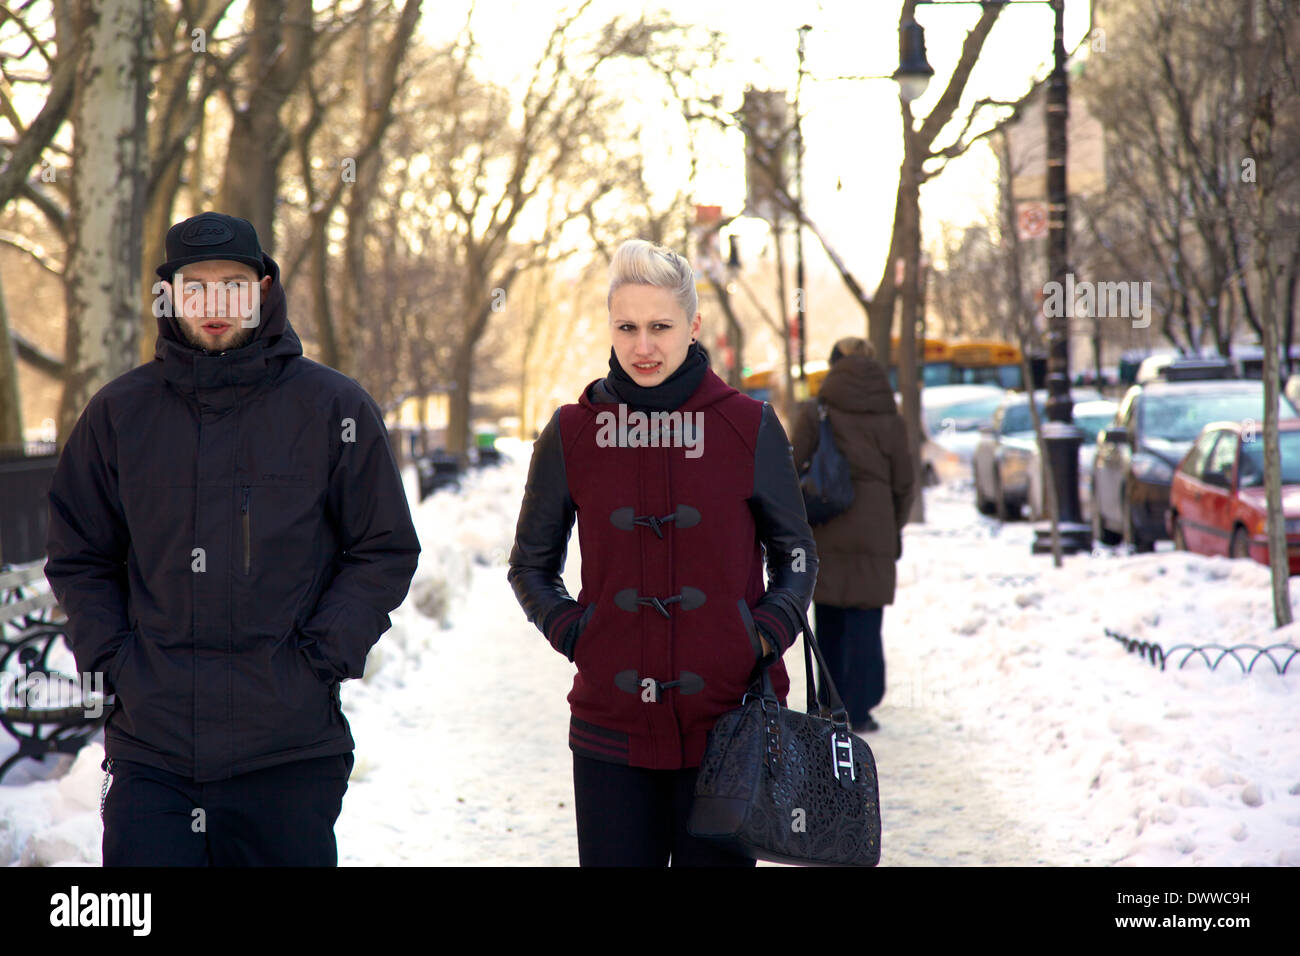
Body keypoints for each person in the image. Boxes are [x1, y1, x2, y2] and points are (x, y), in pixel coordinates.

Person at [44, 211, 421, 866]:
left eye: (233, 285)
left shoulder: (334, 408)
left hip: (288, 750)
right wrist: (117, 657)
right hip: (153, 752)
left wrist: (319, 656)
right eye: (196, 287)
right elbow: (80, 554)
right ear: (169, 297)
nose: (214, 304)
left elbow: (382, 547)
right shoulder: (118, 413)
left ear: (264, 291)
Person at [508, 238, 817, 867]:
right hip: (608, 731)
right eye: (627, 327)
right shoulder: (572, 432)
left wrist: (757, 637)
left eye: (660, 327)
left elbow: (798, 556)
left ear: (693, 325)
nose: (643, 346)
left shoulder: (747, 425)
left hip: (728, 729)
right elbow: (530, 566)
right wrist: (579, 636)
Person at [790, 336, 915, 734]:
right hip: (876, 526)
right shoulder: (891, 418)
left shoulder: (817, 411)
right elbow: (905, 483)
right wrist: (891, 526)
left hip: (828, 524)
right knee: (867, 620)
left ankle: (831, 705)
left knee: (829, 616)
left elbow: (790, 466)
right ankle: (861, 707)